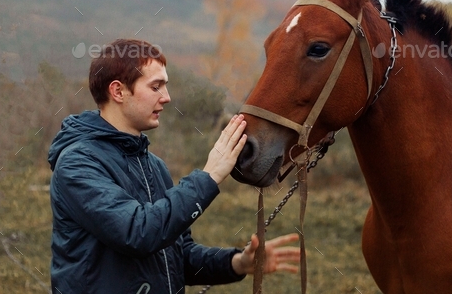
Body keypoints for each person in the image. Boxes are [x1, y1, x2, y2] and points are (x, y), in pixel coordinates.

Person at [48, 38, 300, 293]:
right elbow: (138, 233)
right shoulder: (77, 163)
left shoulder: (154, 166)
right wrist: (209, 176)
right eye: (155, 86)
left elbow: (177, 258)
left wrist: (236, 263)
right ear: (118, 91)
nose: (166, 98)